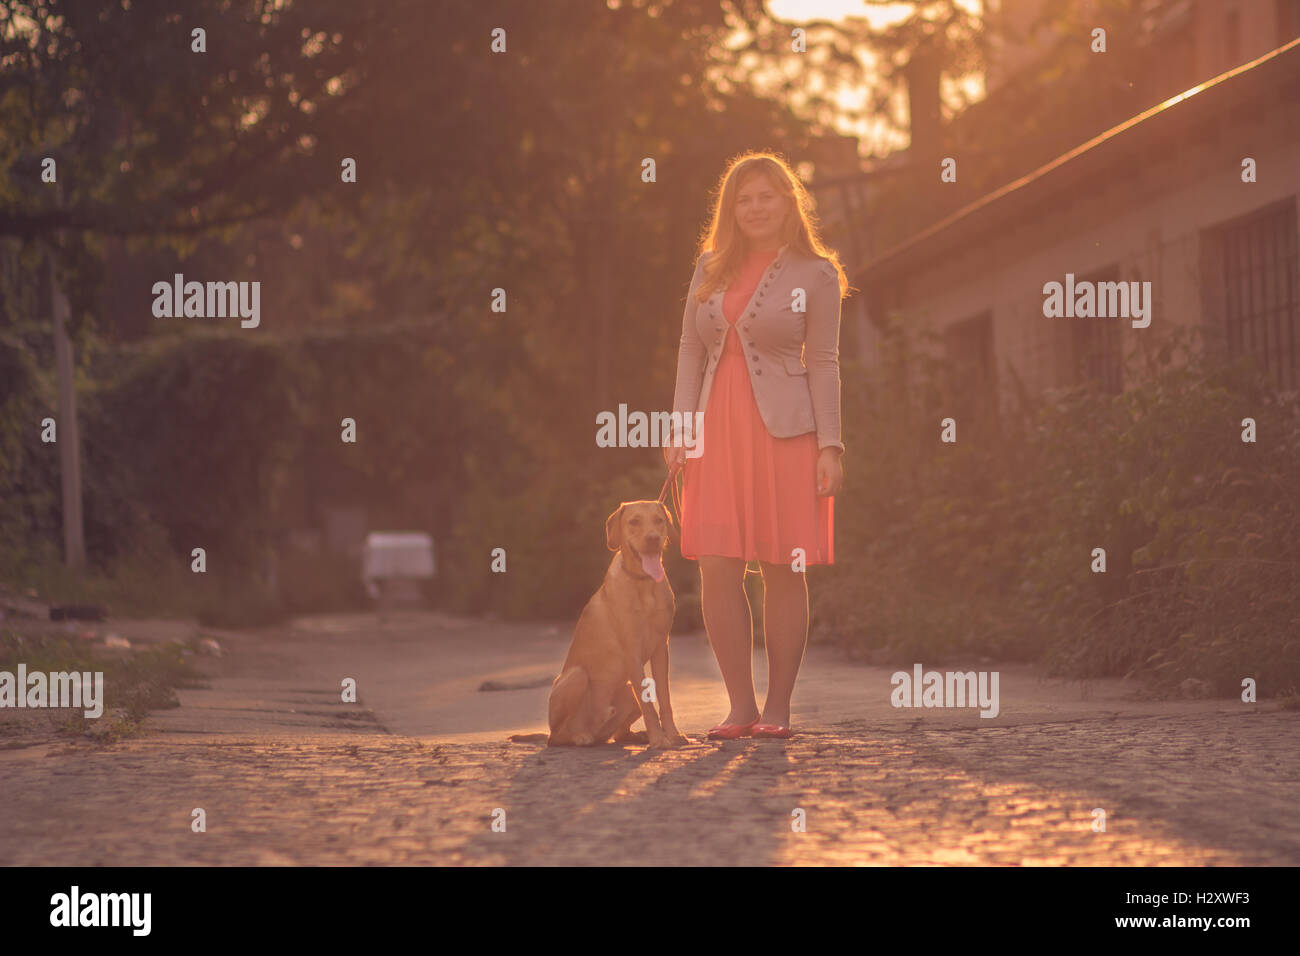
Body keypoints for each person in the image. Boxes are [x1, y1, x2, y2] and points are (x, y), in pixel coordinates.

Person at [664, 152, 848, 740]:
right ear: (731, 209)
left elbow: (823, 362)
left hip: (787, 433)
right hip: (715, 428)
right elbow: (691, 352)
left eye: (767, 196)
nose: (755, 208)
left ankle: (778, 709)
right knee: (717, 566)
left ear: (788, 201)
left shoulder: (815, 274)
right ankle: (739, 706)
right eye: (744, 199)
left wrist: (831, 445)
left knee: (781, 566)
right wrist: (679, 428)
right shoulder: (709, 267)